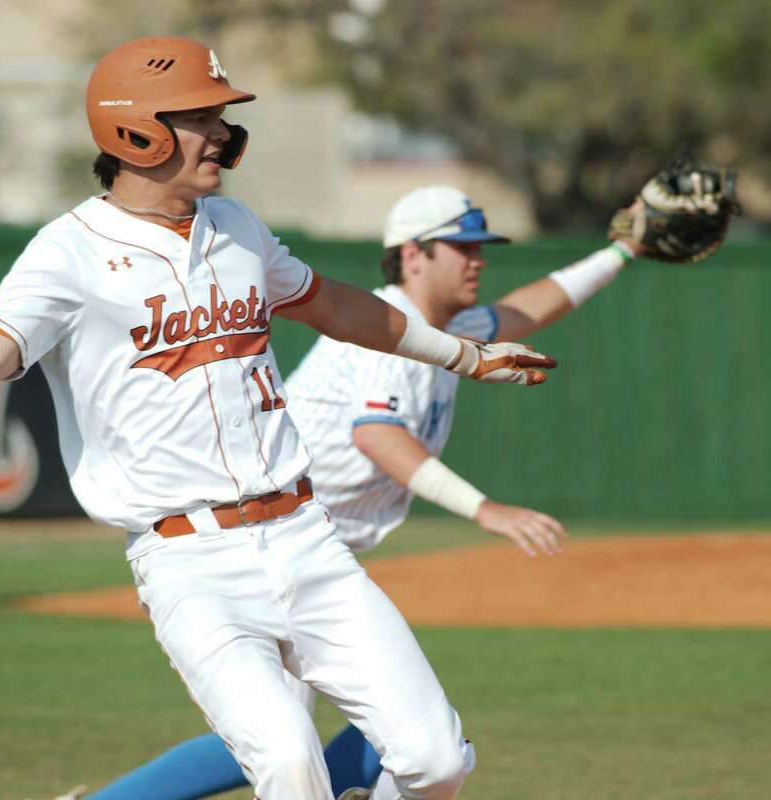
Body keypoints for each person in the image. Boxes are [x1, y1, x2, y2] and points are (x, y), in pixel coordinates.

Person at [0, 37, 558, 800]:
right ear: (135, 129)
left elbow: (335, 305)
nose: (224, 133)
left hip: (306, 536)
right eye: (202, 115)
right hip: (190, 563)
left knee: (437, 758)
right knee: (292, 764)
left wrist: (463, 354)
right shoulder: (68, 252)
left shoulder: (236, 227)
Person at [86, 188, 647, 799]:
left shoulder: (450, 328)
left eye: (479, 248)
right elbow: (378, 434)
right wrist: (484, 509)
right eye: (461, 247)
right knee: (289, 742)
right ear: (413, 255)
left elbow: (527, 312)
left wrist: (621, 251)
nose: (476, 259)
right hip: (260, 541)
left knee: (374, 741)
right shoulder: (386, 325)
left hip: (312, 549)